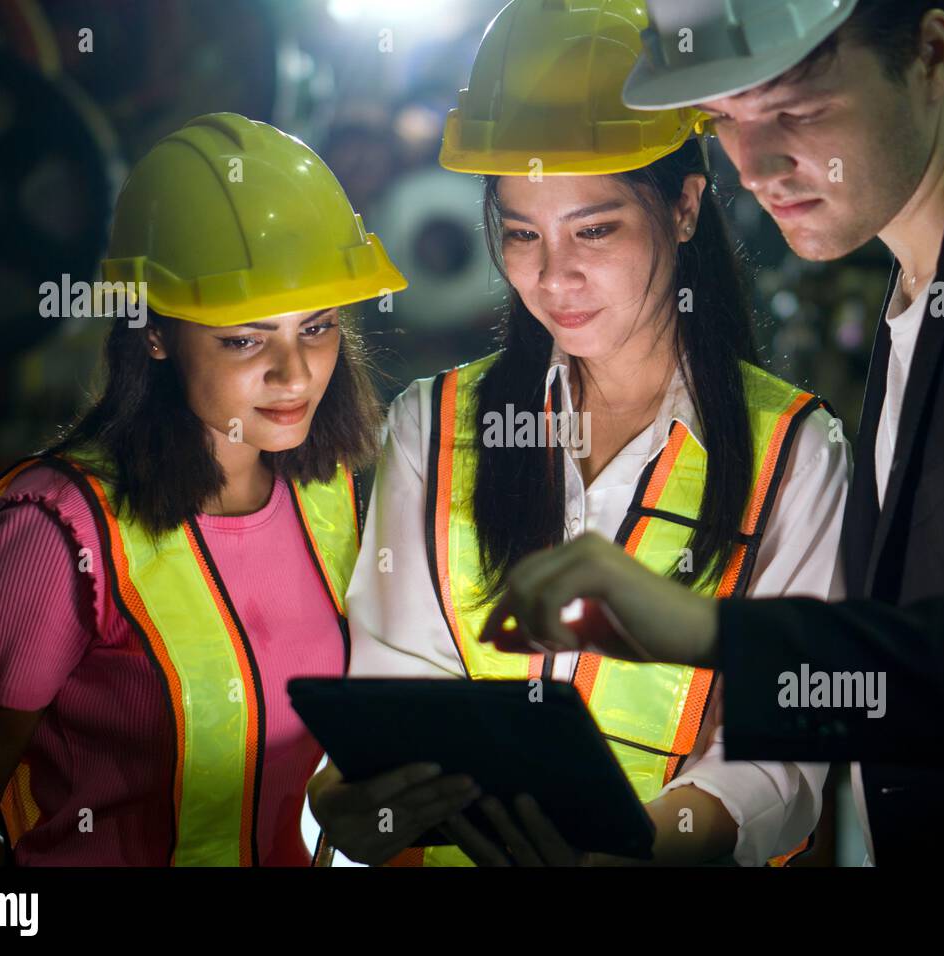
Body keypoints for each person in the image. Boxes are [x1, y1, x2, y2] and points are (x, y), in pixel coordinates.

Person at [480, 0, 944, 867]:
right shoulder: (938, 254)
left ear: (931, 54)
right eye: (728, 119)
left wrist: (710, 636)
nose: (757, 165)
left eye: (799, 111)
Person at [307, 0, 850, 867]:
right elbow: (394, 682)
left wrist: (639, 855)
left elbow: (780, 755)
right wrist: (357, 804)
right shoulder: (432, 425)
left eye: (595, 229)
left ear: (684, 207)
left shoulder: (795, 455)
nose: (554, 276)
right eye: (521, 234)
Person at [0, 113, 407, 865]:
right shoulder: (51, 536)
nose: (295, 375)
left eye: (319, 327)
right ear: (154, 333)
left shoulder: (327, 492)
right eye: (244, 338)